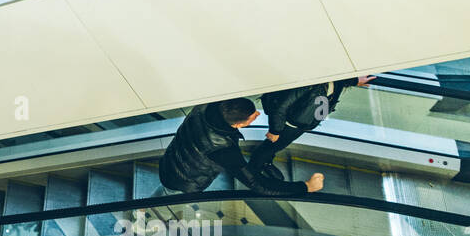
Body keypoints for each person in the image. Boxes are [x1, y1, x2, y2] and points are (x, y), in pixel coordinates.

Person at [160, 98, 324, 197]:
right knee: (170, 195)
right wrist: (306, 186)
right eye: (252, 117)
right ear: (238, 124)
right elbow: (258, 185)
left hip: (170, 161)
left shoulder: (204, 107)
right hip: (184, 184)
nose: (258, 115)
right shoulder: (223, 149)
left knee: (165, 189)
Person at [248, 76, 376, 171]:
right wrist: (275, 131)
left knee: (279, 145)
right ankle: (255, 167)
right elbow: (281, 107)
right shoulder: (309, 83)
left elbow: (340, 82)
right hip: (289, 124)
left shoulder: (335, 78)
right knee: (272, 146)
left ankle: (266, 161)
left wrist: (355, 81)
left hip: (304, 122)